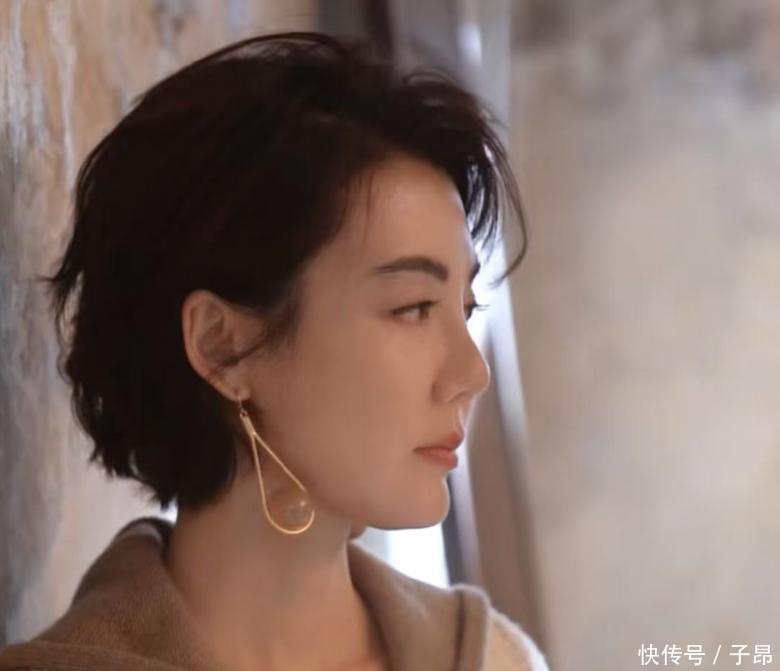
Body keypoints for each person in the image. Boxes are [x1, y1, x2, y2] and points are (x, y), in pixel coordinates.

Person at [0, 31, 549, 671]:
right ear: (223, 346)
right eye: (412, 308)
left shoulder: (494, 659)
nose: (471, 373)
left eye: (466, 309)